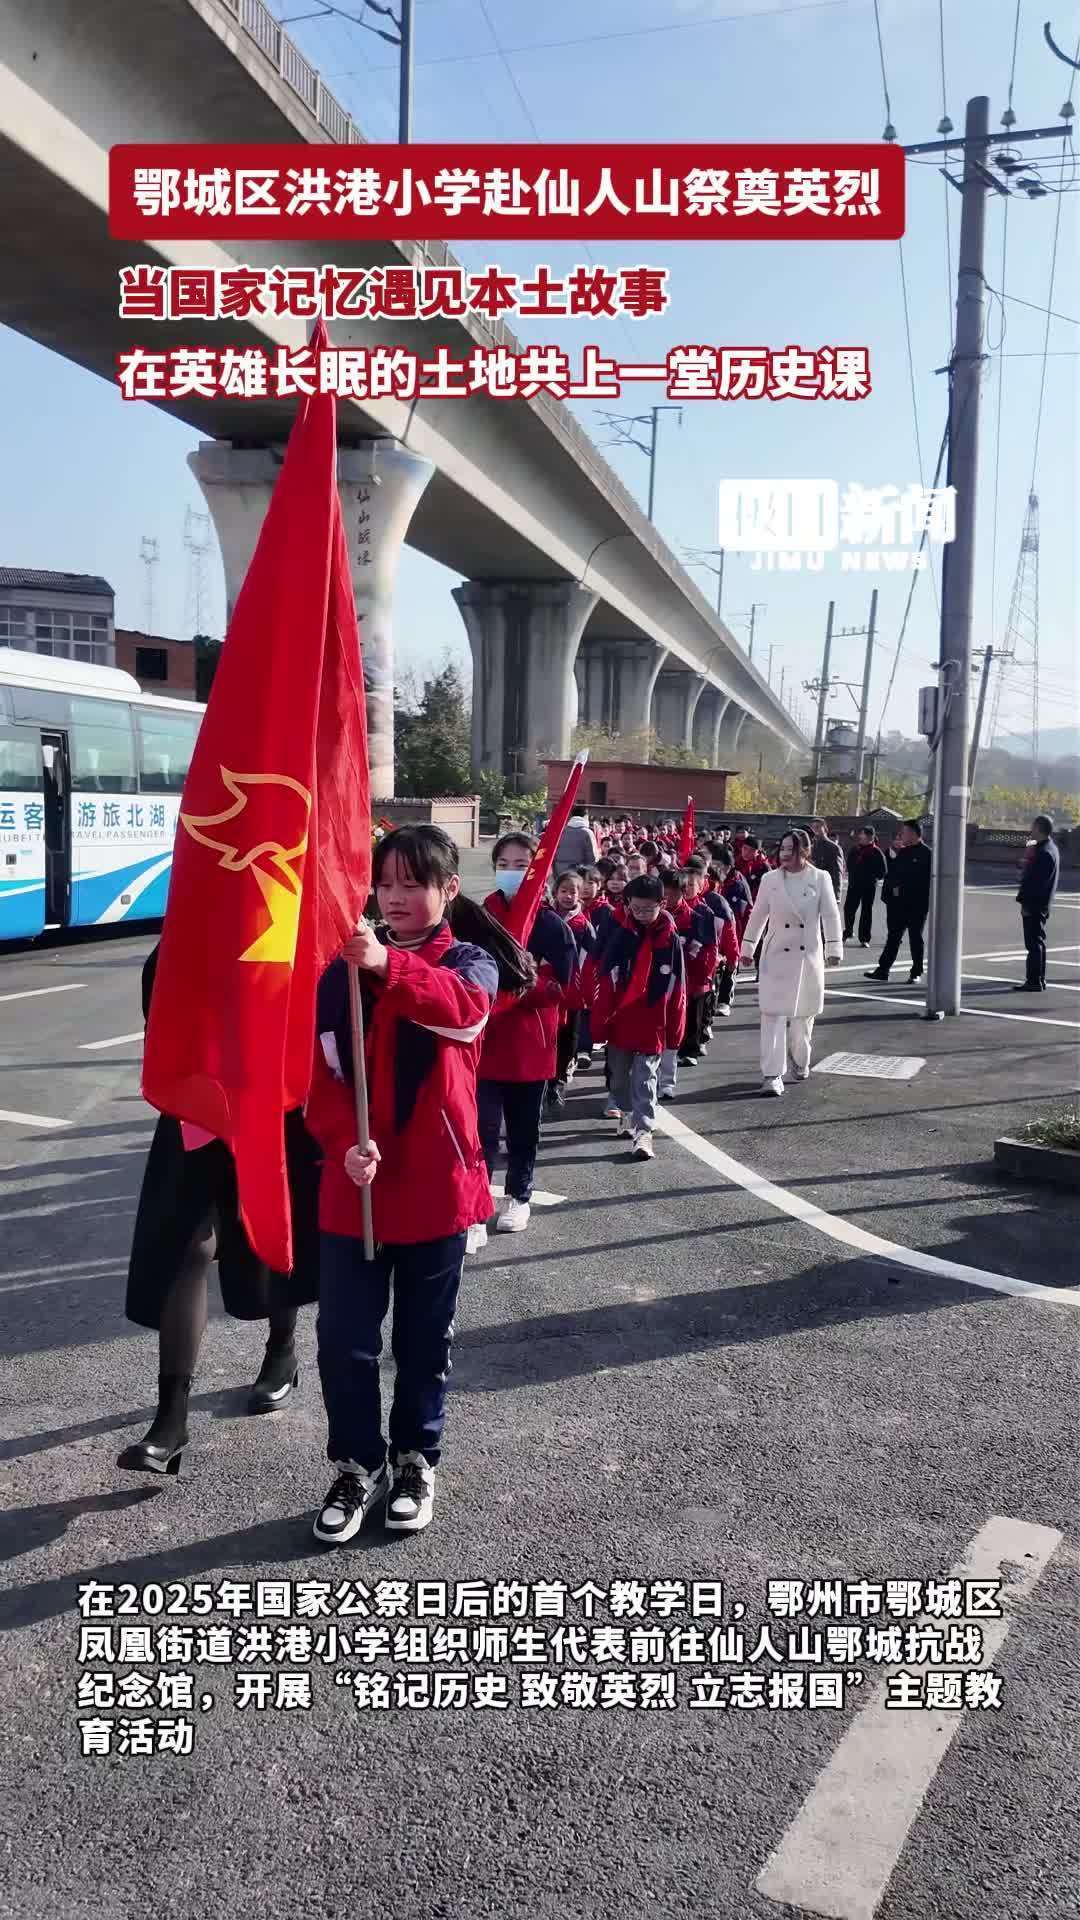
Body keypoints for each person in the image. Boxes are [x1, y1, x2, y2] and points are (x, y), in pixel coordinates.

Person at [307, 826, 532, 1543]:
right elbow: (325, 1077)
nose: (397, 897)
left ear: (447, 890)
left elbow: (463, 1013)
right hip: (356, 1189)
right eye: (387, 884)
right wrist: (345, 1143)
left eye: (413, 884)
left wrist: (385, 965)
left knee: (423, 1339)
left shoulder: (469, 961)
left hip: (435, 1186)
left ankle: (414, 1459)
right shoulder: (336, 972)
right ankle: (354, 1463)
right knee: (343, 1339)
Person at [118, 944, 322, 1478]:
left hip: (275, 1099)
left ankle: (282, 1350)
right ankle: (171, 1418)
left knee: (272, 1225)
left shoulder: (287, 918)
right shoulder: (189, 932)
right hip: (201, 1101)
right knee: (191, 1243)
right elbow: (157, 1011)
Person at [477, 833, 576, 1233]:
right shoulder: (479, 917)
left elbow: (563, 986)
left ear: (541, 871)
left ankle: (520, 1196)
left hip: (532, 1047)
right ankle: (476, 1206)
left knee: (522, 1132)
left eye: (524, 865)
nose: (514, 871)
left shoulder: (552, 926)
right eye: (506, 863)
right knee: (480, 1131)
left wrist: (519, 982)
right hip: (486, 1043)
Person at [739, 828, 843, 1096]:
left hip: (807, 955)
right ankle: (772, 1074)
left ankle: (800, 1058)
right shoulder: (770, 879)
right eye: (782, 848)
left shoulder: (821, 878)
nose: (785, 854)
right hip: (775, 956)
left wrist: (834, 948)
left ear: (805, 851)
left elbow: (831, 916)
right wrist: (748, 947)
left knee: (802, 1016)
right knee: (771, 1015)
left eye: (791, 849)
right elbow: (758, 915)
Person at [592, 873, 686, 1158]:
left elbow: (678, 984)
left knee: (645, 1076)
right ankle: (625, 1112)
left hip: (652, 1016)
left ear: (663, 903)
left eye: (649, 908)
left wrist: (676, 1028)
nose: (642, 914)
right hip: (621, 1015)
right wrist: (598, 1020)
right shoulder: (620, 931)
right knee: (618, 1076)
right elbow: (603, 972)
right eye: (636, 908)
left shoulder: (669, 939)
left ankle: (644, 1131)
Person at [549, 869, 597, 1108]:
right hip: (549, 993)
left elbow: (590, 964)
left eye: (574, 892)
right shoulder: (547, 918)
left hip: (574, 996)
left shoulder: (584, 926)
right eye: (564, 891)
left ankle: (558, 1081)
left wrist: (588, 994)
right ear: (555, 892)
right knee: (549, 1038)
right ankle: (546, 1081)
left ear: (581, 895)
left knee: (569, 1040)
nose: (568, 896)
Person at [865, 820, 932, 983]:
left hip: (917, 905)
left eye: (905, 832)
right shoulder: (902, 852)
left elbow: (926, 881)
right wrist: (891, 893)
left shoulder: (927, 854)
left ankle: (916, 972)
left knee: (915, 938)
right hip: (897, 904)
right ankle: (883, 970)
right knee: (893, 937)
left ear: (915, 833)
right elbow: (893, 876)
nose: (902, 835)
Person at [1015, 814, 1060, 992]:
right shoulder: (1046, 847)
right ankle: (1038, 979)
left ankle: (1034, 980)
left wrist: (1025, 903)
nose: (1030, 830)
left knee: (1033, 943)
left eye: (1033, 827)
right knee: (1037, 941)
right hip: (1040, 903)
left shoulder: (1045, 853)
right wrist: (1026, 859)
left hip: (1035, 904)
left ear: (1039, 829)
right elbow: (1029, 851)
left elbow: (1035, 883)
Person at [843, 825, 888, 946]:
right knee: (849, 909)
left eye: (863, 835)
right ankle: (848, 931)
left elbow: (882, 872)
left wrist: (871, 875)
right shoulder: (855, 849)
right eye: (861, 834)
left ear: (870, 837)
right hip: (854, 885)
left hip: (869, 886)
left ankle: (864, 938)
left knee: (866, 911)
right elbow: (849, 864)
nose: (860, 836)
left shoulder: (876, 852)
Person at [809, 819, 846, 909]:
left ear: (825, 829)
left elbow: (837, 873)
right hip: (810, 891)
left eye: (818, 827)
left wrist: (837, 896)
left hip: (826, 890)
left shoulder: (834, 848)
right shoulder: (810, 848)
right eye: (813, 828)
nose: (815, 830)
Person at [554, 809, 598, 873]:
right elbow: (593, 857)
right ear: (586, 816)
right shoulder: (587, 833)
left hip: (559, 871)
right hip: (579, 872)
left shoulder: (561, 831)